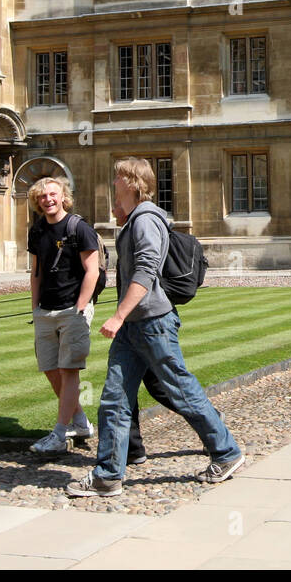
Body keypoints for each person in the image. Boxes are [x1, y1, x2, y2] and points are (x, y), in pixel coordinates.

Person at [67, 158, 243, 498]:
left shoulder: (146, 221)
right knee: (114, 400)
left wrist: (118, 316)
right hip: (135, 326)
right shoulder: (135, 220)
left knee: (181, 389)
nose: (113, 182)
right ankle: (108, 475)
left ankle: (226, 452)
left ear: (132, 182)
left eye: (118, 177)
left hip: (151, 323)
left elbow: (146, 272)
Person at [26, 176, 100, 455]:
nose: (48, 199)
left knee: (69, 370)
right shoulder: (37, 230)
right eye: (43, 196)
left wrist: (81, 307)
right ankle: (80, 421)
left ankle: (59, 433)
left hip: (73, 307)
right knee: (49, 368)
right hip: (45, 308)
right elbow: (36, 271)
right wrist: (35, 307)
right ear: (37, 200)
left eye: (53, 194)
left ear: (63, 196)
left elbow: (92, 270)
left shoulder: (79, 228)